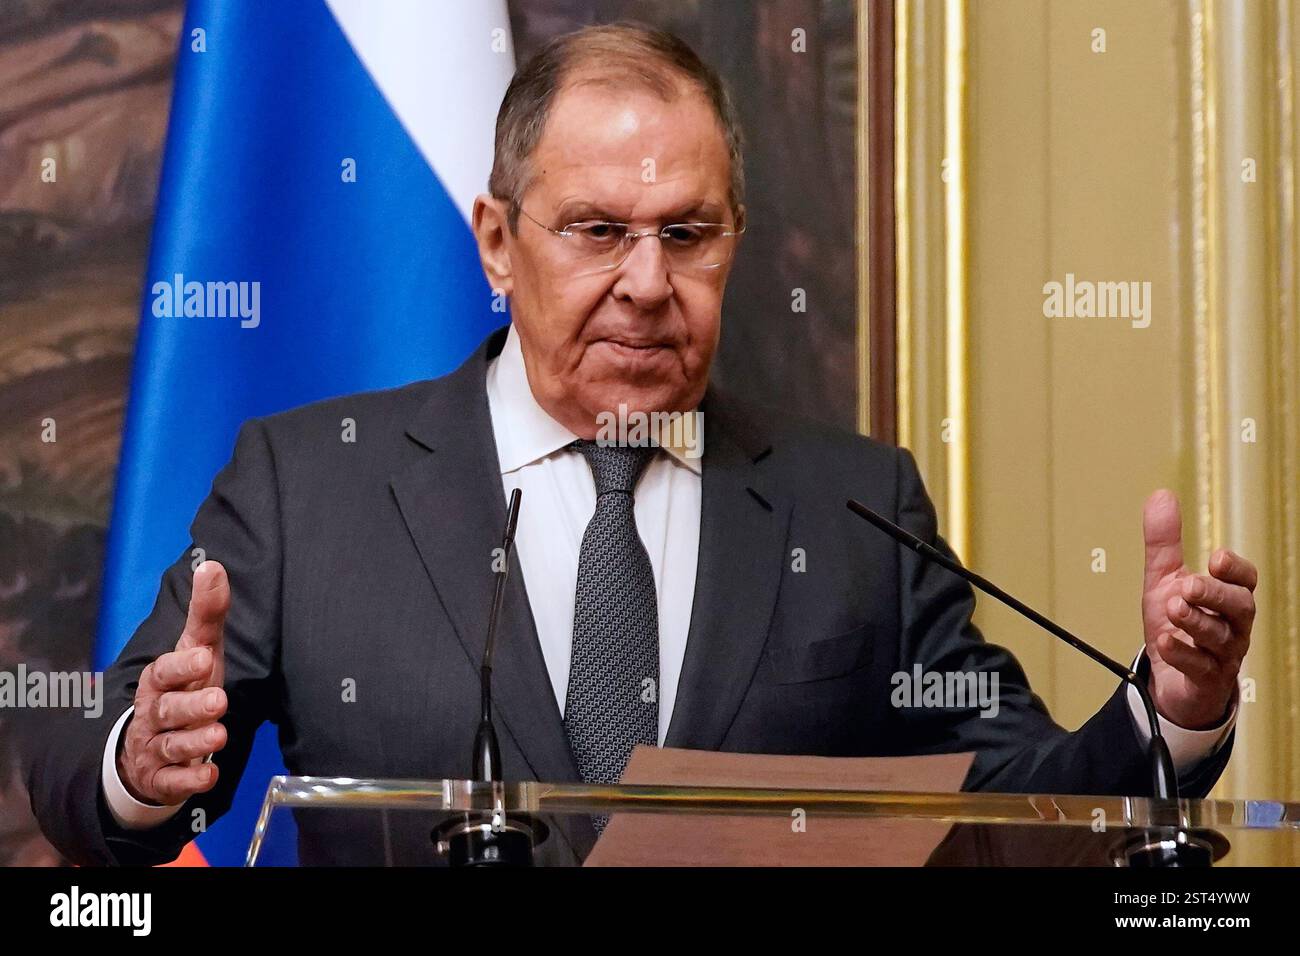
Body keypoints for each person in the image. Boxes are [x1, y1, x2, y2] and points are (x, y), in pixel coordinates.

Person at [24, 22, 1256, 866]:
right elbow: (86, 772)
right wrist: (145, 751)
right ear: (498, 242)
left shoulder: (851, 507)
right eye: (598, 229)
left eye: (688, 232)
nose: (647, 283)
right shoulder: (310, 484)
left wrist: (1171, 712)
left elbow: (1013, 812)